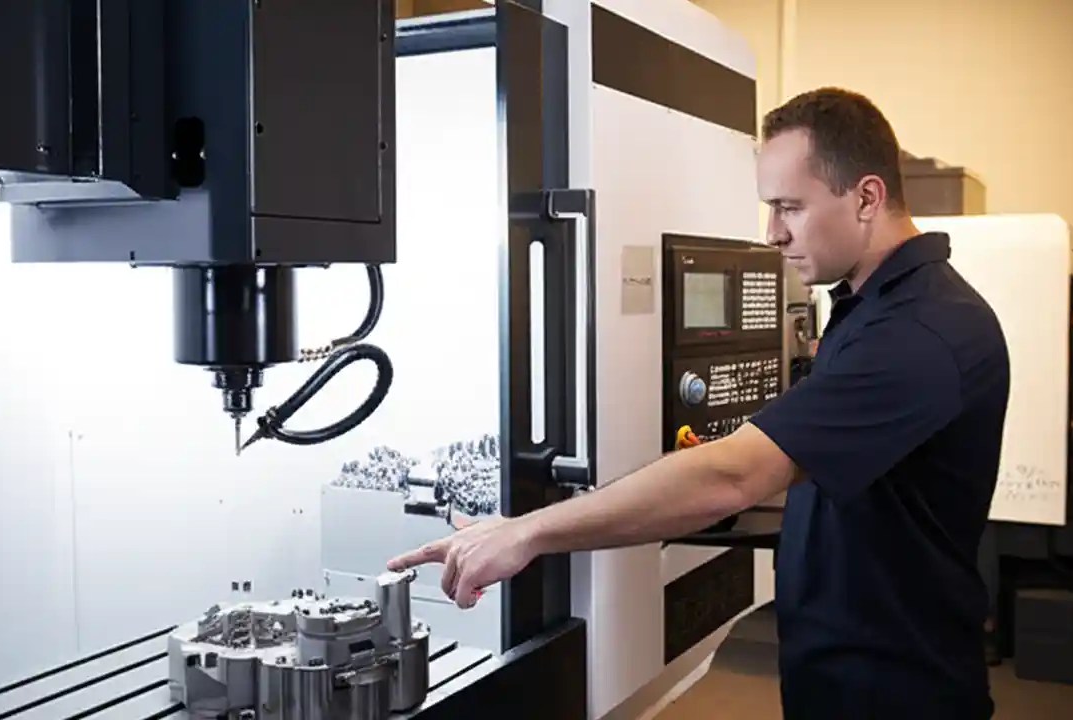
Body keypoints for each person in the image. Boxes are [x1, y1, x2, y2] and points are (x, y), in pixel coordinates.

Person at [388, 87, 1011, 719]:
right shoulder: (868, 303)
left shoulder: (918, 333)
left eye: (789, 207)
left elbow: (736, 474)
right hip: (848, 673)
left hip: (900, 692)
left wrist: (532, 532)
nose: (772, 234)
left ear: (867, 197)